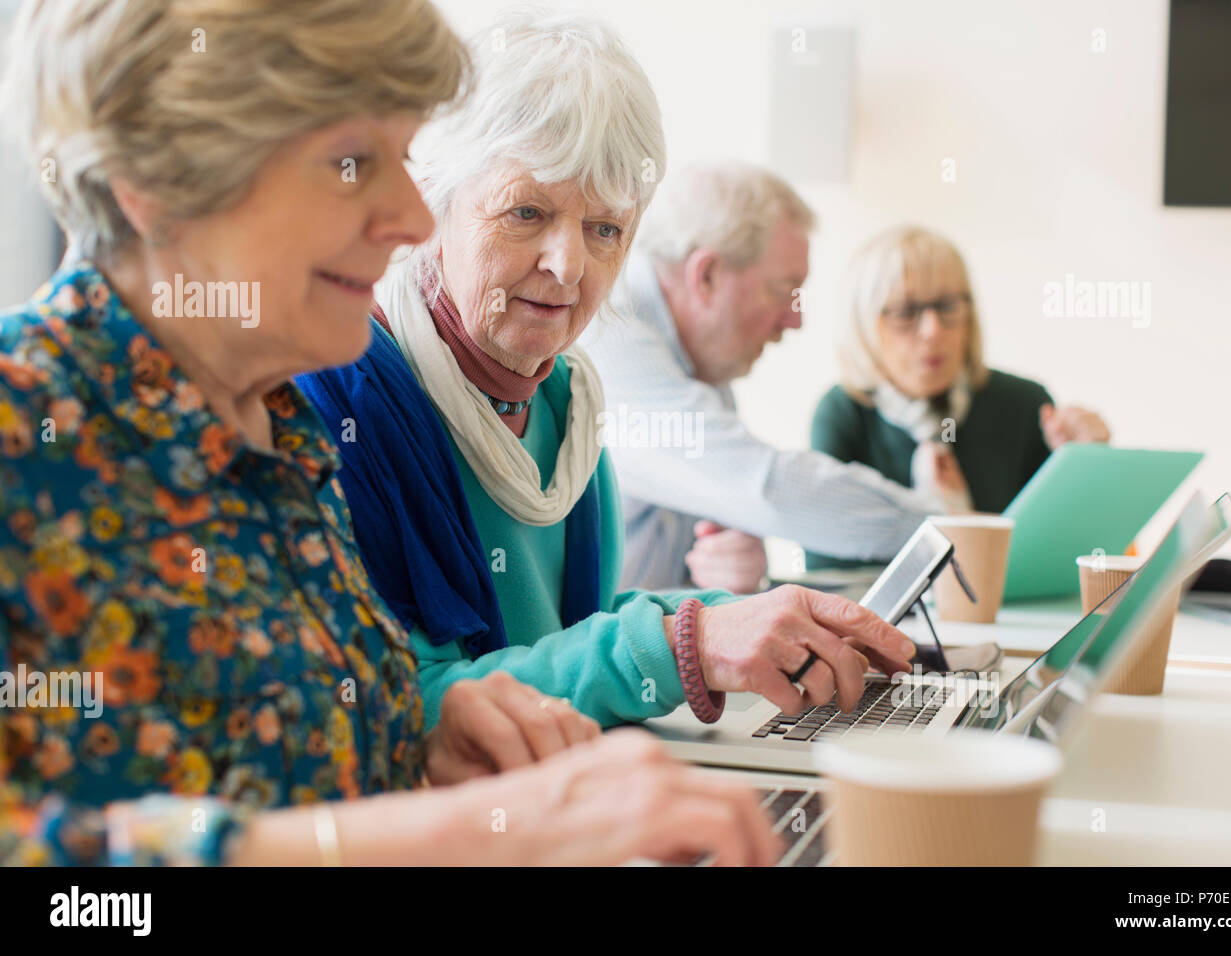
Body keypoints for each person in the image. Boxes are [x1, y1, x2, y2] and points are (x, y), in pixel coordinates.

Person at [0, 0, 779, 867]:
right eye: (350, 163)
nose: (413, 218)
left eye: (403, 160)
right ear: (156, 180)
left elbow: (293, 754)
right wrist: (437, 833)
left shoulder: (279, 431)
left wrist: (421, 735)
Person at [297, 13, 916, 736]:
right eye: (527, 212)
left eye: (605, 229)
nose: (569, 266)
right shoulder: (344, 397)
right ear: (435, 204)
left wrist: (741, 622)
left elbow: (571, 639)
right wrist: (687, 643)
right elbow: (412, 710)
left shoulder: (566, 398)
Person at [580, 163, 957, 594]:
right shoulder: (605, 332)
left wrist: (736, 577)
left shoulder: (701, 369)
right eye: (785, 290)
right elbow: (767, 488)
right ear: (706, 276)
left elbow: (724, 530)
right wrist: (946, 529)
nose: (794, 320)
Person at [805, 226, 1109, 568]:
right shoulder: (843, 413)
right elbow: (825, 564)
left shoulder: (1024, 405)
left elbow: (1069, 555)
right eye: (906, 312)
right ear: (862, 325)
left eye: (947, 306)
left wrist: (1085, 470)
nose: (933, 330)